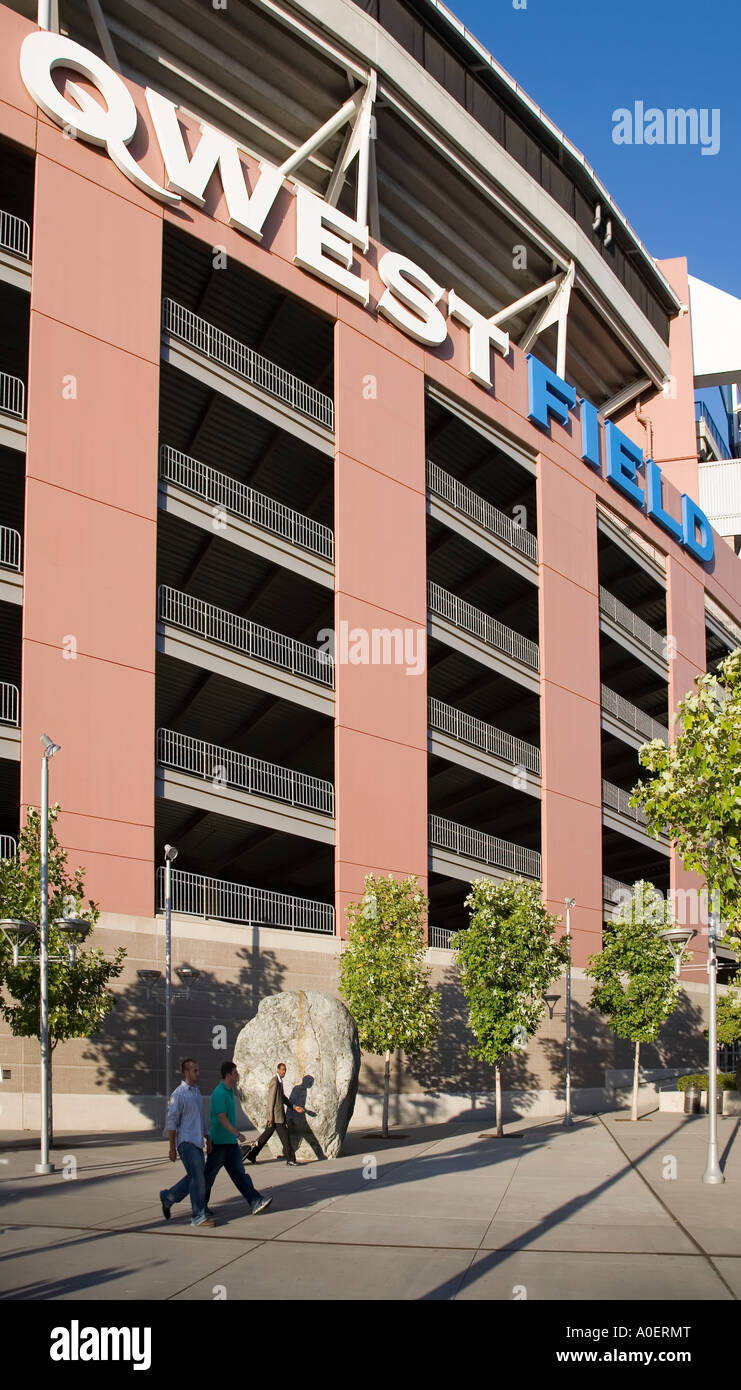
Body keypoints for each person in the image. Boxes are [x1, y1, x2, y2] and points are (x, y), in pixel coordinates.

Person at [204, 1061, 273, 1216]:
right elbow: (222, 1118)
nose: (238, 1075)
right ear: (228, 1075)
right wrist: (237, 1134)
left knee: (240, 1175)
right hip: (219, 1144)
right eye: (235, 1073)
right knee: (208, 1177)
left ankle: (255, 1201)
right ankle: (200, 1208)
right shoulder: (219, 1093)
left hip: (230, 1145)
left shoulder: (229, 1091)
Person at [159, 1057, 214, 1228]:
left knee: (194, 1177)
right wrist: (172, 1148)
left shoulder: (196, 1092)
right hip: (185, 1142)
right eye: (195, 1070)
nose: (198, 1073)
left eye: (198, 1070)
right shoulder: (178, 1095)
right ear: (186, 1072)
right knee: (198, 1177)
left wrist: (207, 1138)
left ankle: (168, 1197)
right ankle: (198, 1216)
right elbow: (172, 1122)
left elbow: (201, 1118)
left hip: (197, 1141)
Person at [244, 1062, 304, 1166]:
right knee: (286, 1139)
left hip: (277, 1117)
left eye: (285, 1070)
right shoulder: (275, 1082)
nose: (283, 1072)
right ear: (278, 1070)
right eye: (282, 1070)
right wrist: (271, 1118)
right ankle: (290, 1160)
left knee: (264, 1137)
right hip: (276, 1118)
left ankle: (252, 1155)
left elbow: (283, 1098)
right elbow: (271, 1100)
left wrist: (294, 1107)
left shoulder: (280, 1082)